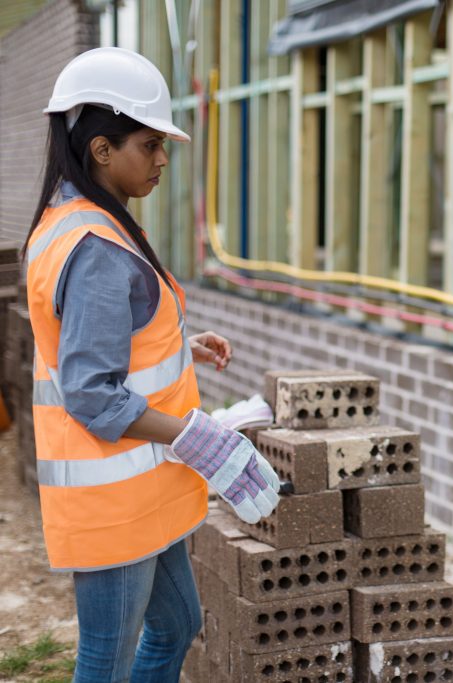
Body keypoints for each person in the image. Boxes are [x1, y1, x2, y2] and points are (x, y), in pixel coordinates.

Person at [24, 47, 281, 683]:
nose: (164, 158)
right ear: (102, 149)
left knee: (174, 626)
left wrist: (174, 344)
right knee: (106, 661)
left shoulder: (77, 218)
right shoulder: (96, 248)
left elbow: (91, 337)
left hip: (144, 485)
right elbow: (92, 393)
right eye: (149, 144)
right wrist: (201, 439)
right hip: (113, 501)